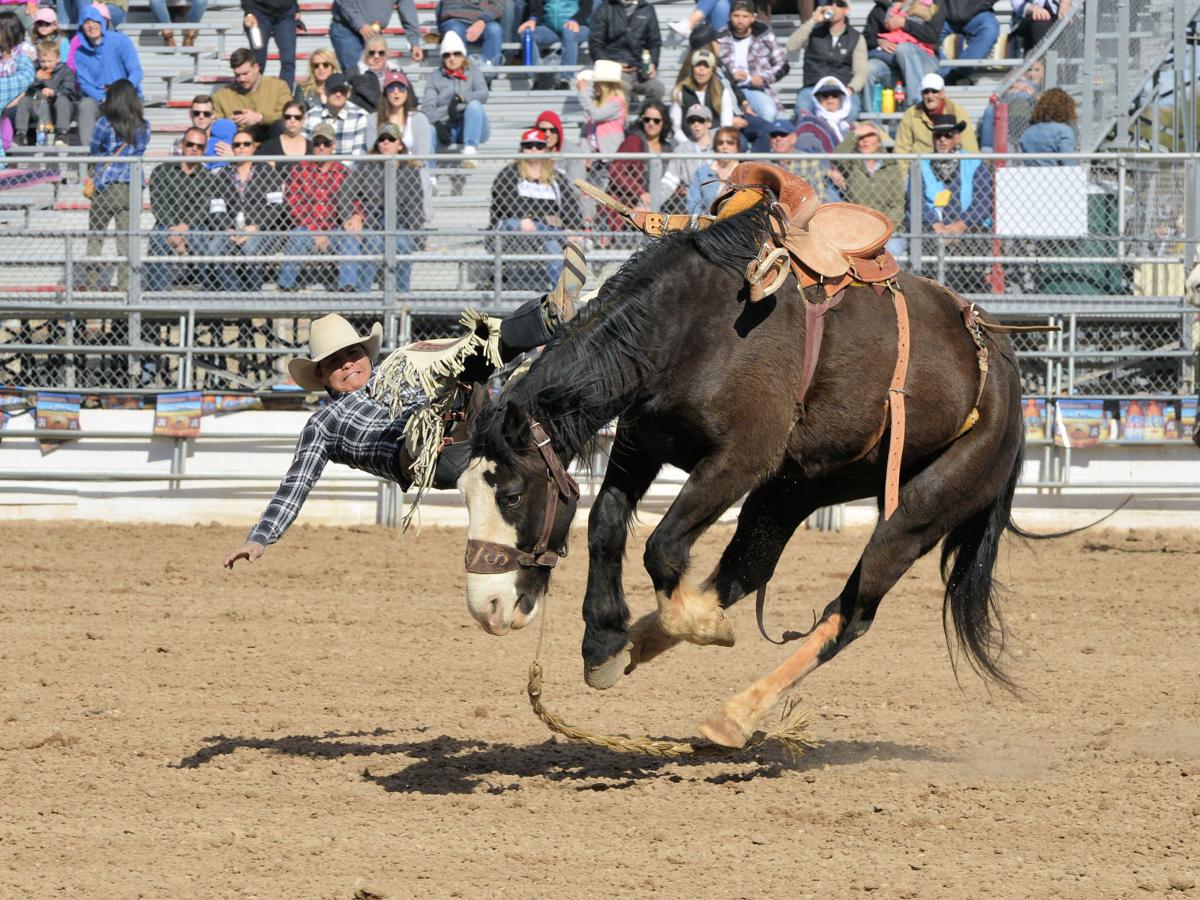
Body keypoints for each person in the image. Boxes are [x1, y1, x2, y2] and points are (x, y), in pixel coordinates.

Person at [221, 257, 587, 568]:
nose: (348, 365)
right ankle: (548, 327)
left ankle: (553, 318)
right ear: (322, 376)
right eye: (335, 363)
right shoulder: (322, 424)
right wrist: (261, 538)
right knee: (448, 393)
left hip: (469, 426)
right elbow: (296, 484)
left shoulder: (398, 371)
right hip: (421, 453)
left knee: (473, 351)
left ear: (366, 354)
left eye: (351, 354)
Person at [488, 127, 584, 290]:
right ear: (522, 149)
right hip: (514, 231)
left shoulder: (555, 177)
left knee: (553, 248)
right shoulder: (510, 173)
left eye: (539, 146)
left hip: (542, 235)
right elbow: (503, 197)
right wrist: (523, 216)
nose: (533, 149)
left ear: (545, 149)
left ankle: (560, 295)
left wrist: (572, 226)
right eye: (529, 145)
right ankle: (560, 236)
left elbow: (570, 203)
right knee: (515, 224)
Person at [337, 123, 424, 292]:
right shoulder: (366, 167)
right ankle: (364, 294)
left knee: (404, 245)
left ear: (399, 145)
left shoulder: (410, 170)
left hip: (401, 223)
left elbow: (416, 205)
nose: (385, 142)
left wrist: (417, 234)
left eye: (391, 139)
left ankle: (401, 293)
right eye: (382, 139)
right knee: (374, 243)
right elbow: (346, 192)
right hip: (373, 222)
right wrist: (349, 217)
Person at [83, 78, 149, 292]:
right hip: (132, 186)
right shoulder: (144, 125)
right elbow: (140, 150)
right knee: (126, 240)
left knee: (96, 236)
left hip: (106, 185)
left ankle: (91, 284)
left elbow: (94, 148)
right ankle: (124, 287)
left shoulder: (104, 122)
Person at [915, 113, 992, 292]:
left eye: (948, 135)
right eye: (938, 135)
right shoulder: (921, 164)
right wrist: (937, 225)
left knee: (970, 262)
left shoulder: (974, 162)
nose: (942, 139)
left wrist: (959, 225)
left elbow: (983, 201)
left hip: (970, 229)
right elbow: (915, 202)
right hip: (932, 229)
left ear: (957, 137)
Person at [208, 127, 287, 291]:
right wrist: (227, 229)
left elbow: (275, 206)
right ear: (233, 149)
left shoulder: (266, 172)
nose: (241, 148)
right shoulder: (224, 173)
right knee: (214, 248)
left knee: (250, 247)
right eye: (237, 145)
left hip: (262, 231)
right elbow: (217, 207)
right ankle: (234, 291)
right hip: (231, 230)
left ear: (253, 147)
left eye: (246, 144)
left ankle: (254, 292)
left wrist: (255, 226)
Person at [277, 122, 348, 290]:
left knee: (350, 240)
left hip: (334, 228)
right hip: (306, 228)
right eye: (317, 143)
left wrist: (355, 217)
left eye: (326, 143)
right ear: (312, 145)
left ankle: (348, 288)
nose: (322, 147)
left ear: (333, 145)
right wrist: (314, 231)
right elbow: (292, 203)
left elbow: (353, 202)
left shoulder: (343, 172)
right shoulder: (300, 169)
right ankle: (284, 288)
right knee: (297, 237)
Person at [147, 126, 217, 291]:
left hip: (195, 225)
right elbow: (159, 204)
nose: (194, 149)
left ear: (204, 149)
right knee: (157, 241)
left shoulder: (207, 177)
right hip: (166, 224)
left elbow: (203, 207)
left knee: (202, 246)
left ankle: (209, 293)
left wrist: (184, 227)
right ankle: (156, 296)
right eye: (190, 144)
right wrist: (174, 229)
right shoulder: (162, 171)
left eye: (199, 146)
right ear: (182, 145)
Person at [828, 121, 906, 254]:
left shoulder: (892, 165)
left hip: (888, 230)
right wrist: (854, 133)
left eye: (869, 135)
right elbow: (837, 157)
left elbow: (898, 204)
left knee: (892, 250)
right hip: (857, 228)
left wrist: (884, 228)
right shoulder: (852, 165)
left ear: (879, 140)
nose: (864, 140)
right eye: (861, 137)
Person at [73, 4, 141, 147]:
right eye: (86, 22)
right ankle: (88, 155)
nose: (91, 26)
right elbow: (84, 83)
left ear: (102, 21)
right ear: (81, 27)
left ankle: (128, 151)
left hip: (125, 97)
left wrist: (121, 92)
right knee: (85, 105)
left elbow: (136, 71)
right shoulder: (79, 53)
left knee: (126, 107)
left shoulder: (120, 40)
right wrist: (103, 98)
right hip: (100, 100)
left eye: (95, 21)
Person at [787, 0, 866, 119]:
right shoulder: (814, 31)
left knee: (852, 111)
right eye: (830, 3)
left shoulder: (856, 37)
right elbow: (791, 46)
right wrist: (813, 20)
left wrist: (850, 90)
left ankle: (844, 137)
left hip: (842, 88)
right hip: (813, 87)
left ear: (846, 10)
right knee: (803, 107)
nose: (833, 7)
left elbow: (860, 72)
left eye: (839, 4)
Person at [371, 69, 433, 220]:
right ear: (385, 92)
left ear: (407, 92)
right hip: (382, 170)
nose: (396, 92)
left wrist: (401, 161)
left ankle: (420, 226)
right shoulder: (373, 119)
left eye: (401, 88)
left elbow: (421, 159)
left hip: (410, 171)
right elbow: (372, 153)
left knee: (422, 176)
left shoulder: (419, 119)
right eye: (392, 88)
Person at [423, 31, 490, 163]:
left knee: (474, 105)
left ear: (463, 55)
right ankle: (429, 176)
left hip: (471, 125)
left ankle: (470, 150)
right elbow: (427, 106)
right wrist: (437, 124)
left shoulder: (474, 71)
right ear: (442, 58)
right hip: (447, 127)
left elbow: (484, 94)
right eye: (447, 55)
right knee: (428, 130)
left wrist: (461, 98)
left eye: (456, 53)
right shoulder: (435, 77)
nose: (452, 58)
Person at [863, 0, 943, 110]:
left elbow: (933, 36)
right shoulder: (881, 9)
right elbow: (866, 38)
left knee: (904, 48)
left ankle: (916, 106)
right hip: (895, 65)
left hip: (924, 62)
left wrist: (904, 23)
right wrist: (878, 42)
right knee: (870, 67)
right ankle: (871, 121)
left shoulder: (929, 3)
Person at [716, 0, 786, 122]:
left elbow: (783, 65)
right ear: (729, 16)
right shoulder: (720, 36)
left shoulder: (764, 35)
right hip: (727, 89)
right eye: (736, 16)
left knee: (769, 112)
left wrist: (762, 78)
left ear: (753, 18)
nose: (740, 20)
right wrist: (730, 76)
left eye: (745, 16)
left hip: (755, 88)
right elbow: (712, 67)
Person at [588, 0, 663, 104]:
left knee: (657, 89)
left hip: (639, 69)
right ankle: (622, 119)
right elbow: (595, 45)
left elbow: (654, 42)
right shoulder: (604, 8)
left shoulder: (647, 9)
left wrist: (653, 63)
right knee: (622, 86)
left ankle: (643, 117)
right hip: (613, 69)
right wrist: (613, 65)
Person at [610, 98, 675, 219]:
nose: (651, 123)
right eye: (647, 119)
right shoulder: (633, 141)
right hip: (631, 202)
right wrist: (639, 192)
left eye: (656, 120)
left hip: (661, 203)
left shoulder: (667, 148)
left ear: (664, 123)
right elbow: (616, 172)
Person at [213, 47, 292, 143]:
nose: (241, 79)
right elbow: (214, 124)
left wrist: (260, 118)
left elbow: (288, 116)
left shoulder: (278, 87)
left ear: (256, 68)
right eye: (237, 75)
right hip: (237, 145)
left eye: (245, 73)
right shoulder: (222, 95)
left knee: (279, 126)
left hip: (270, 142)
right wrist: (230, 123)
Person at [895, 71, 977, 158]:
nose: (930, 96)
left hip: (953, 167)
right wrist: (907, 172)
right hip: (919, 168)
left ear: (942, 93)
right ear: (921, 94)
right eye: (926, 92)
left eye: (934, 91)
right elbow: (901, 150)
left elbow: (970, 149)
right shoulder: (910, 114)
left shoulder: (958, 112)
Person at [329, 0, 424, 75]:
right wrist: (360, 24)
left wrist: (414, 42)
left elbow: (406, 5)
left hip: (374, 33)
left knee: (377, 75)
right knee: (356, 75)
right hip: (347, 30)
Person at [14, 39, 75, 145]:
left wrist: (54, 92)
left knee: (62, 100)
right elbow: (23, 89)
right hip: (38, 108)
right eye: (42, 61)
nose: (46, 65)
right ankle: (20, 134)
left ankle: (62, 134)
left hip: (58, 111)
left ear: (58, 59)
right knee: (24, 100)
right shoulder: (34, 70)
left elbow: (69, 91)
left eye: (50, 61)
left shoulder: (66, 71)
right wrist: (36, 79)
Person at [670, 46, 741, 134]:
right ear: (692, 69)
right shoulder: (680, 92)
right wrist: (688, 145)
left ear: (712, 71)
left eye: (706, 66)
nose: (701, 69)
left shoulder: (722, 92)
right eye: (698, 65)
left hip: (715, 141)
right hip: (687, 142)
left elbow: (726, 125)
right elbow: (676, 128)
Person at [977, 56, 1042, 150]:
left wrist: (1034, 94)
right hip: (1007, 106)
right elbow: (1002, 87)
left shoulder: (1044, 87)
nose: (1032, 74)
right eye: (1029, 70)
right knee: (990, 109)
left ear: (1043, 73)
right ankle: (986, 148)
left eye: (1037, 70)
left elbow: (1043, 101)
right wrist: (1013, 86)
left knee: (1022, 100)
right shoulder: (1017, 82)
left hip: (1025, 110)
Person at [302, 70, 369, 156]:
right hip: (316, 168)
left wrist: (338, 169)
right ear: (325, 91)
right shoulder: (310, 116)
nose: (338, 94)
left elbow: (359, 156)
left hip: (349, 169)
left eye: (342, 90)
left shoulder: (361, 116)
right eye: (334, 90)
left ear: (348, 93)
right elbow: (305, 152)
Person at [518, 0, 589, 80]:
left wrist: (576, 20)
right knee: (527, 33)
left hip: (578, 27)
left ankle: (566, 78)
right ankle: (538, 76)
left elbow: (586, 7)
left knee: (568, 32)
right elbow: (536, 7)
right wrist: (533, 20)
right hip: (550, 28)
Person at [662, 102, 713, 207]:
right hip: (693, 205)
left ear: (709, 123)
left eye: (700, 120)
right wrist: (653, 202)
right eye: (692, 120)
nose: (696, 124)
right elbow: (669, 181)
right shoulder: (680, 150)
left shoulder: (721, 144)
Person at [241, 0, 302, 87]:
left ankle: (285, 98)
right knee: (258, 61)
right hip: (259, 12)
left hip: (286, 12)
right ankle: (253, 96)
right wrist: (249, 12)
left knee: (288, 61)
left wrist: (295, 7)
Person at [937, 0, 998, 84]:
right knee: (921, 37)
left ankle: (958, 74)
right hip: (942, 13)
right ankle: (946, 74)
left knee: (990, 29)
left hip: (978, 12)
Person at [686, 124, 739, 214]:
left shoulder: (745, 174)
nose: (724, 146)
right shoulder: (702, 173)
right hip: (708, 223)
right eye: (720, 143)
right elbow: (693, 204)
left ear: (737, 147)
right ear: (715, 147)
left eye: (730, 143)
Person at [1017, 86, 1076, 163]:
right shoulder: (1064, 131)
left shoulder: (1028, 132)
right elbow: (1068, 162)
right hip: (1056, 173)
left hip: (1031, 174)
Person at [437, 0, 504, 67]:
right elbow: (450, 8)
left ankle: (489, 73)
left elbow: (499, 4)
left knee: (495, 29)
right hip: (455, 20)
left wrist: (482, 21)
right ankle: (459, 72)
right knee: (455, 30)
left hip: (485, 21)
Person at [348, 33, 400, 111]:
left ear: (386, 54)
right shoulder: (353, 74)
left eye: (381, 53)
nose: (376, 56)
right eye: (372, 53)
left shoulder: (397, 71)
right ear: (365, 53)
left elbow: (411, 100)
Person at [256, 98, 311, 169]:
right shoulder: (269, 146)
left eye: (297, 117)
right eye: (288, 117)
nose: (292, 120)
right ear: (283, 119)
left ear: (303, 120)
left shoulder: (312, 147)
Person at [293, 47, 340, 111]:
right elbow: (300, 115)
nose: (320, 68)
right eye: (316, 65)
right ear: (312, 69)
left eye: (325, 65)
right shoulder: (302, 89)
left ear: (333, 67)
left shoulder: (341, 89)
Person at [810, 75, 853, 143]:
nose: (830, 98)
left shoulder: (849, 126)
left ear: (841, 99)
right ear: (818, 99)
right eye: (825, 95)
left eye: (835, 95)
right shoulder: (813, 125)